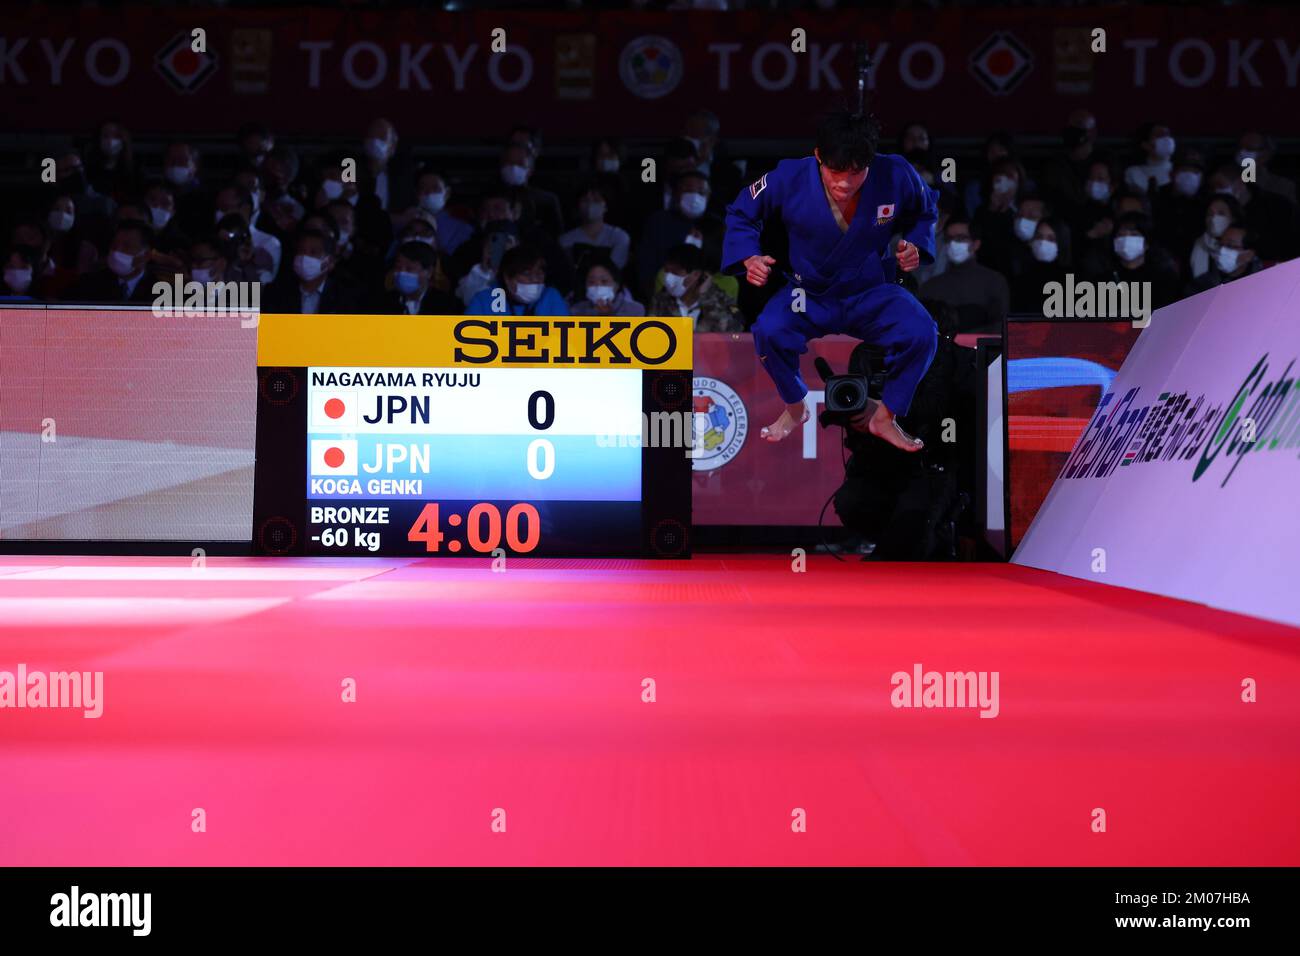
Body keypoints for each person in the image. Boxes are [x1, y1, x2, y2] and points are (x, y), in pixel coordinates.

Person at [723, 105, 938, 450]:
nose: (844, 182)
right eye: (836, 171)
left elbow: (925, 211)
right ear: (818, 155)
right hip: (809, 293)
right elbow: (740, 212)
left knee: (922, 332)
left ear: (871, 161)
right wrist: (748, 256)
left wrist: (914, 244)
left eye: (856, 173)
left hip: (869, 291)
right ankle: (795, 407)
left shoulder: (896, 172)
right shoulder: (788, 177)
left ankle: (886, 417)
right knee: (769, 330)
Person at [917, 217, 1008, 332]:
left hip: (981, 348)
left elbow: (1002, 327)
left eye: (961, 238)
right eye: (949, 239)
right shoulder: (930, 286)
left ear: (976, 244)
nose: (953, 243)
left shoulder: (995, 281)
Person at [262, 228, 362, 315]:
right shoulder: (275, 291)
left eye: (313, 252)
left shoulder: (344, 297)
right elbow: (249, 333)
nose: (305, 257)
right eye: (301, 251)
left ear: (330, 262)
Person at [649, 242, 740, 332]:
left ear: (696, 274)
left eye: (675, 272)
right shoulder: (660, 300)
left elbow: (734, 329)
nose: (669, 277)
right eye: (666, 271)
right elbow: (650, 335)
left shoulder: (722, 300)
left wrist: (706, 298)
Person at [64, 219, 157, 304]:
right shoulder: (88, 284)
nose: (117, 251)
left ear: (146, 255)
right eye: (114, 245)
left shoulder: (161, 292)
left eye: (127, 246)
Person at [465, 244, 568, 317]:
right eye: (527, 274)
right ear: (508, 278)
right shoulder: (483, 301)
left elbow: (565, 340)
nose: (535, 279)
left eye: (539, 273)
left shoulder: (551, 297)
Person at [369, 241, 463, 315]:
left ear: (429, 272)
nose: (402, 273)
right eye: (398, 268)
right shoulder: (382, 302)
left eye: (409, 269)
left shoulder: (447, 305)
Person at [560, 182, 631, 269]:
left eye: (596, 200)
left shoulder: (620, 237)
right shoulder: (565, 240)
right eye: (585, 200)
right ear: (578, 206)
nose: (590, 204)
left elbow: (615, 270)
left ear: (606, 206)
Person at [1010, 219, 1071, 314]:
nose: (1043, 242)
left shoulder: (1073, 281)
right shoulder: (1021, 277)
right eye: (1039, 236)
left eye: (1051, 239)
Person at [1186, 223, 1264, 295]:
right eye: (1220, 245)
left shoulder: (1264, 283)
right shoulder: (1200, 288)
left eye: (1230, 245)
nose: (1222, 251)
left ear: (1249, 254)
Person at [1188, 195, 1243, 280]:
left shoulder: (1243, 244)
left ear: (1233, 218)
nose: (1214, 218)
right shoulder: (1196, 245)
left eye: (1221, 213)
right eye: (1210, 214)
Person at [569, 255, 644, 317]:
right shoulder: (576, 311)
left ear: (616, 285)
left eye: (604, 281)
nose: (598, 286)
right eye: (591, 282)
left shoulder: (635, 310)